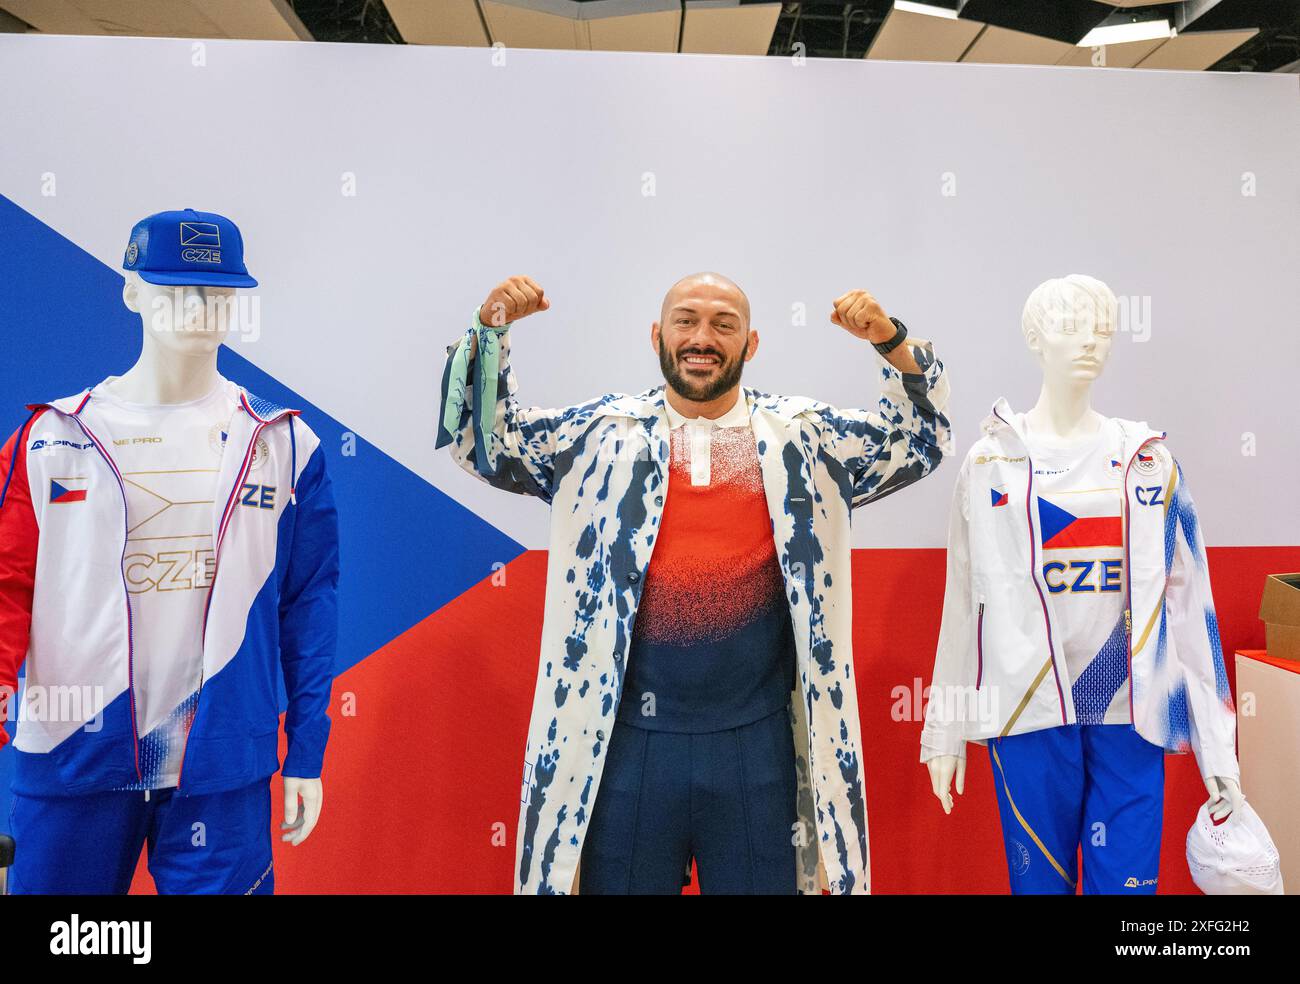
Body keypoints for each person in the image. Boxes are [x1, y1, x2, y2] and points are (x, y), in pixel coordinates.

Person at [437, 271, 951, 894]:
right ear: (658, 335)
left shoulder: (805, 439)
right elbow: (483, 441)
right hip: (625, 750)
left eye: (722, 325)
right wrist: (491, 333)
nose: (701, 338)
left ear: (751, 344)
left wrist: (890, 341)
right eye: (685, 321)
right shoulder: (598, 436)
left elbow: (921, 440)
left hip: (758, 750)